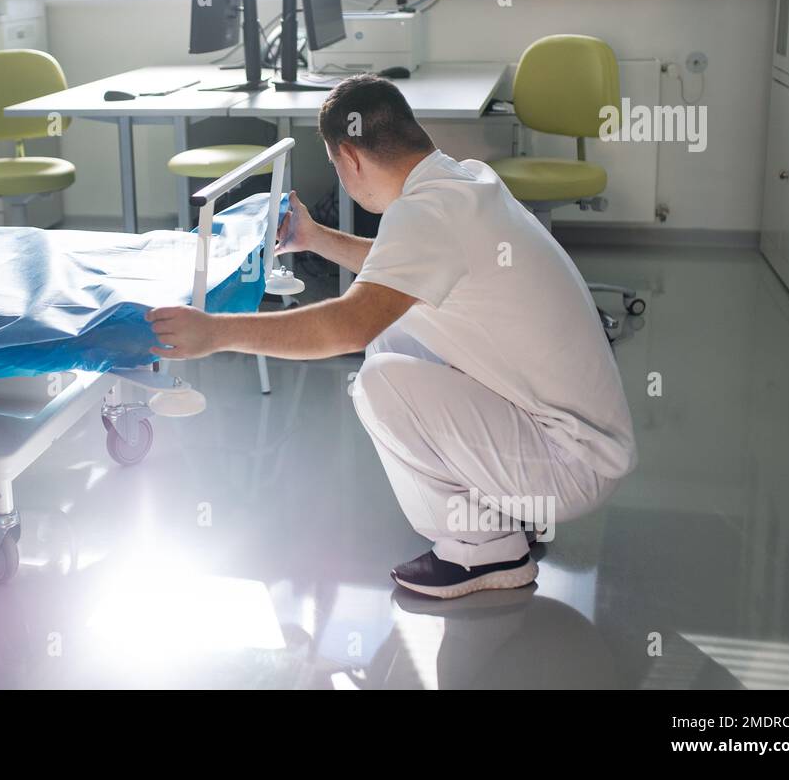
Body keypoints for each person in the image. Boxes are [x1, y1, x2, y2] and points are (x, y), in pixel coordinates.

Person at [147, 74, 636, 599]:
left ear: (351, 158)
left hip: (568, 465)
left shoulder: (426, 214)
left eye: (337, 167)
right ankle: (504, 512)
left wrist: (215, 333)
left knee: (380, 380)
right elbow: (399, 270)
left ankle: (483, 550)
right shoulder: (461, 180)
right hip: (580, 442)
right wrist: (314, 237)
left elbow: (346, 325)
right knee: (396, 334)